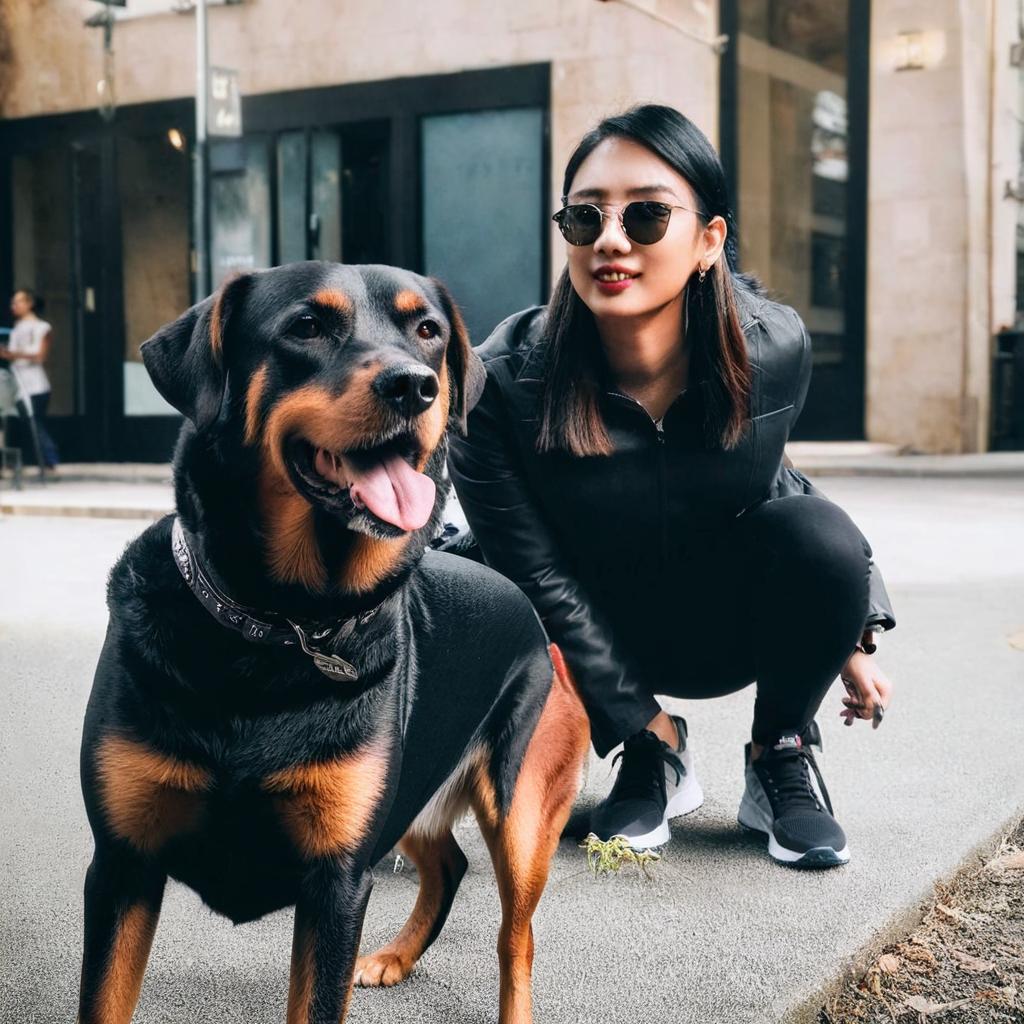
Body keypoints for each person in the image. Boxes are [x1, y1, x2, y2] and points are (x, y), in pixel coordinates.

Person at [447, 105, 895, 870]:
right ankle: (651, 754)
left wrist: (855, 621)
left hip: (719, 626)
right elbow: (531, 570)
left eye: (648, 214)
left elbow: (776, 480)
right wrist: (638, 720)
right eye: (585, 218)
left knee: (825, 538)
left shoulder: (772, 347)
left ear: (708, 242)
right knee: (467, 584)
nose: (611, 239)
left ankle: (780, 752)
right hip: (580, 631)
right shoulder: (500, 382)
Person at [1, 288, 59, 469]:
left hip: (35, 385)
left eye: (18, 302)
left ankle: (50, 461)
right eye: (13, 302)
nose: (14, 306)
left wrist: (12, 354)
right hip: (17, 383)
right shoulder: (17, 328)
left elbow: (39, 355)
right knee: (16, 421)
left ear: (29, 303)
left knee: (34, 422)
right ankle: (15, 462)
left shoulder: (42, 327)